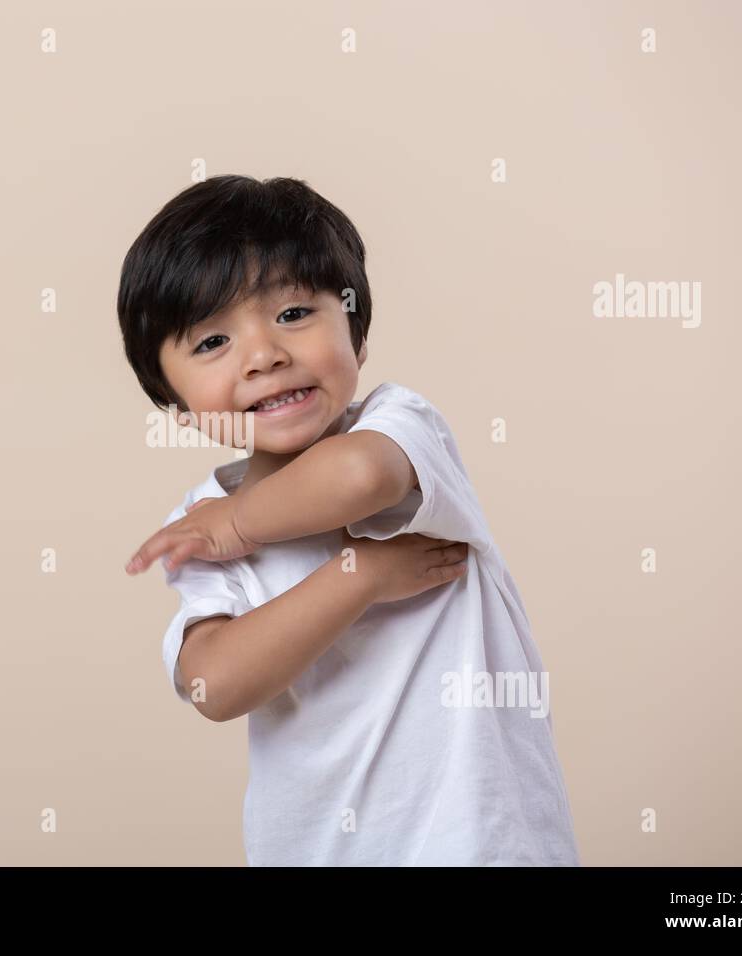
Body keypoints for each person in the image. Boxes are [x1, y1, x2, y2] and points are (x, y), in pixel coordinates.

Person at [118, 175, 580, 866]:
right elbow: (214, 684)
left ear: (357, 338)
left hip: (479, 839)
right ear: (177, 404)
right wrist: (358, 577)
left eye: (295, 314)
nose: (265, 354)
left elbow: (358, 479)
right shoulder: (197, 523)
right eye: (213, 342)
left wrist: (240, 525)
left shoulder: (399, 427)